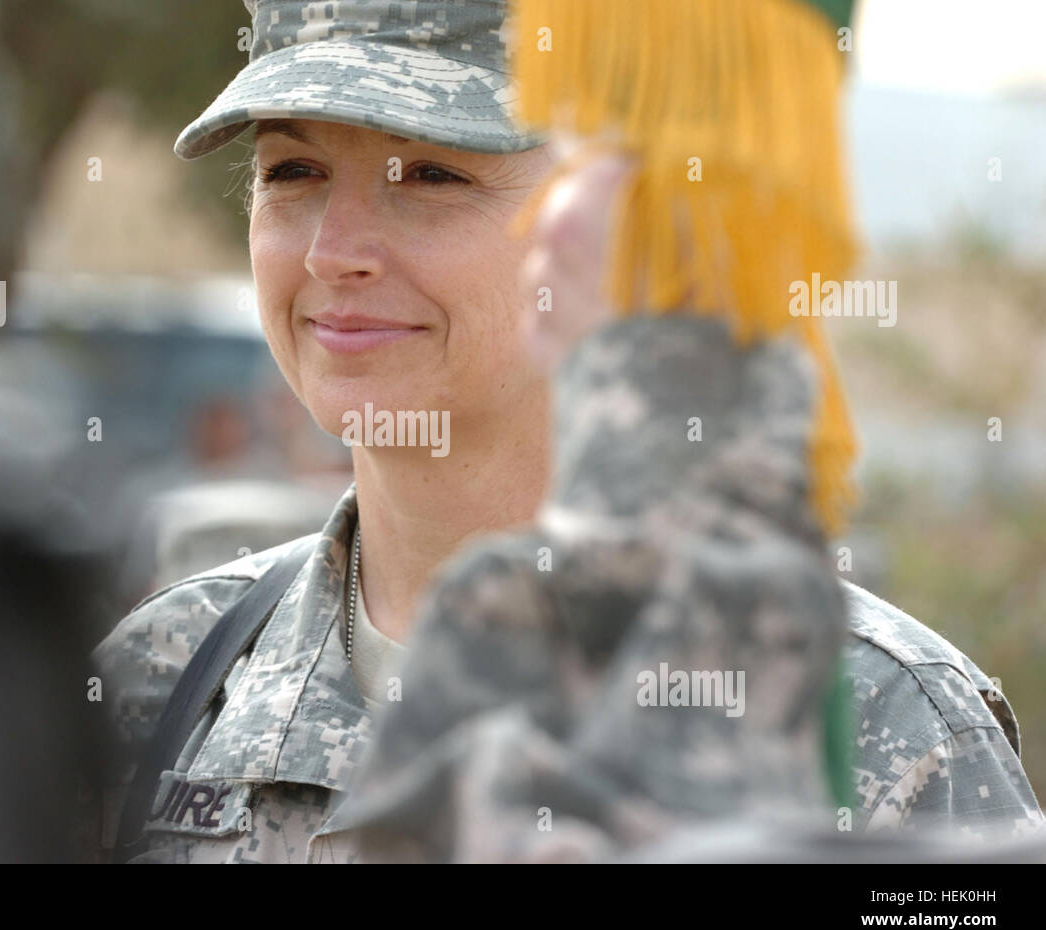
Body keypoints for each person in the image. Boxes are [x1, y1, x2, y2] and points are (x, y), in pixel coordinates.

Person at [88, 0, 1042, 862]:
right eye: (292, 170)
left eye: (430, 173)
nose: (335, 252)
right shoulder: (166, 680)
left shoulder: (884, 727)